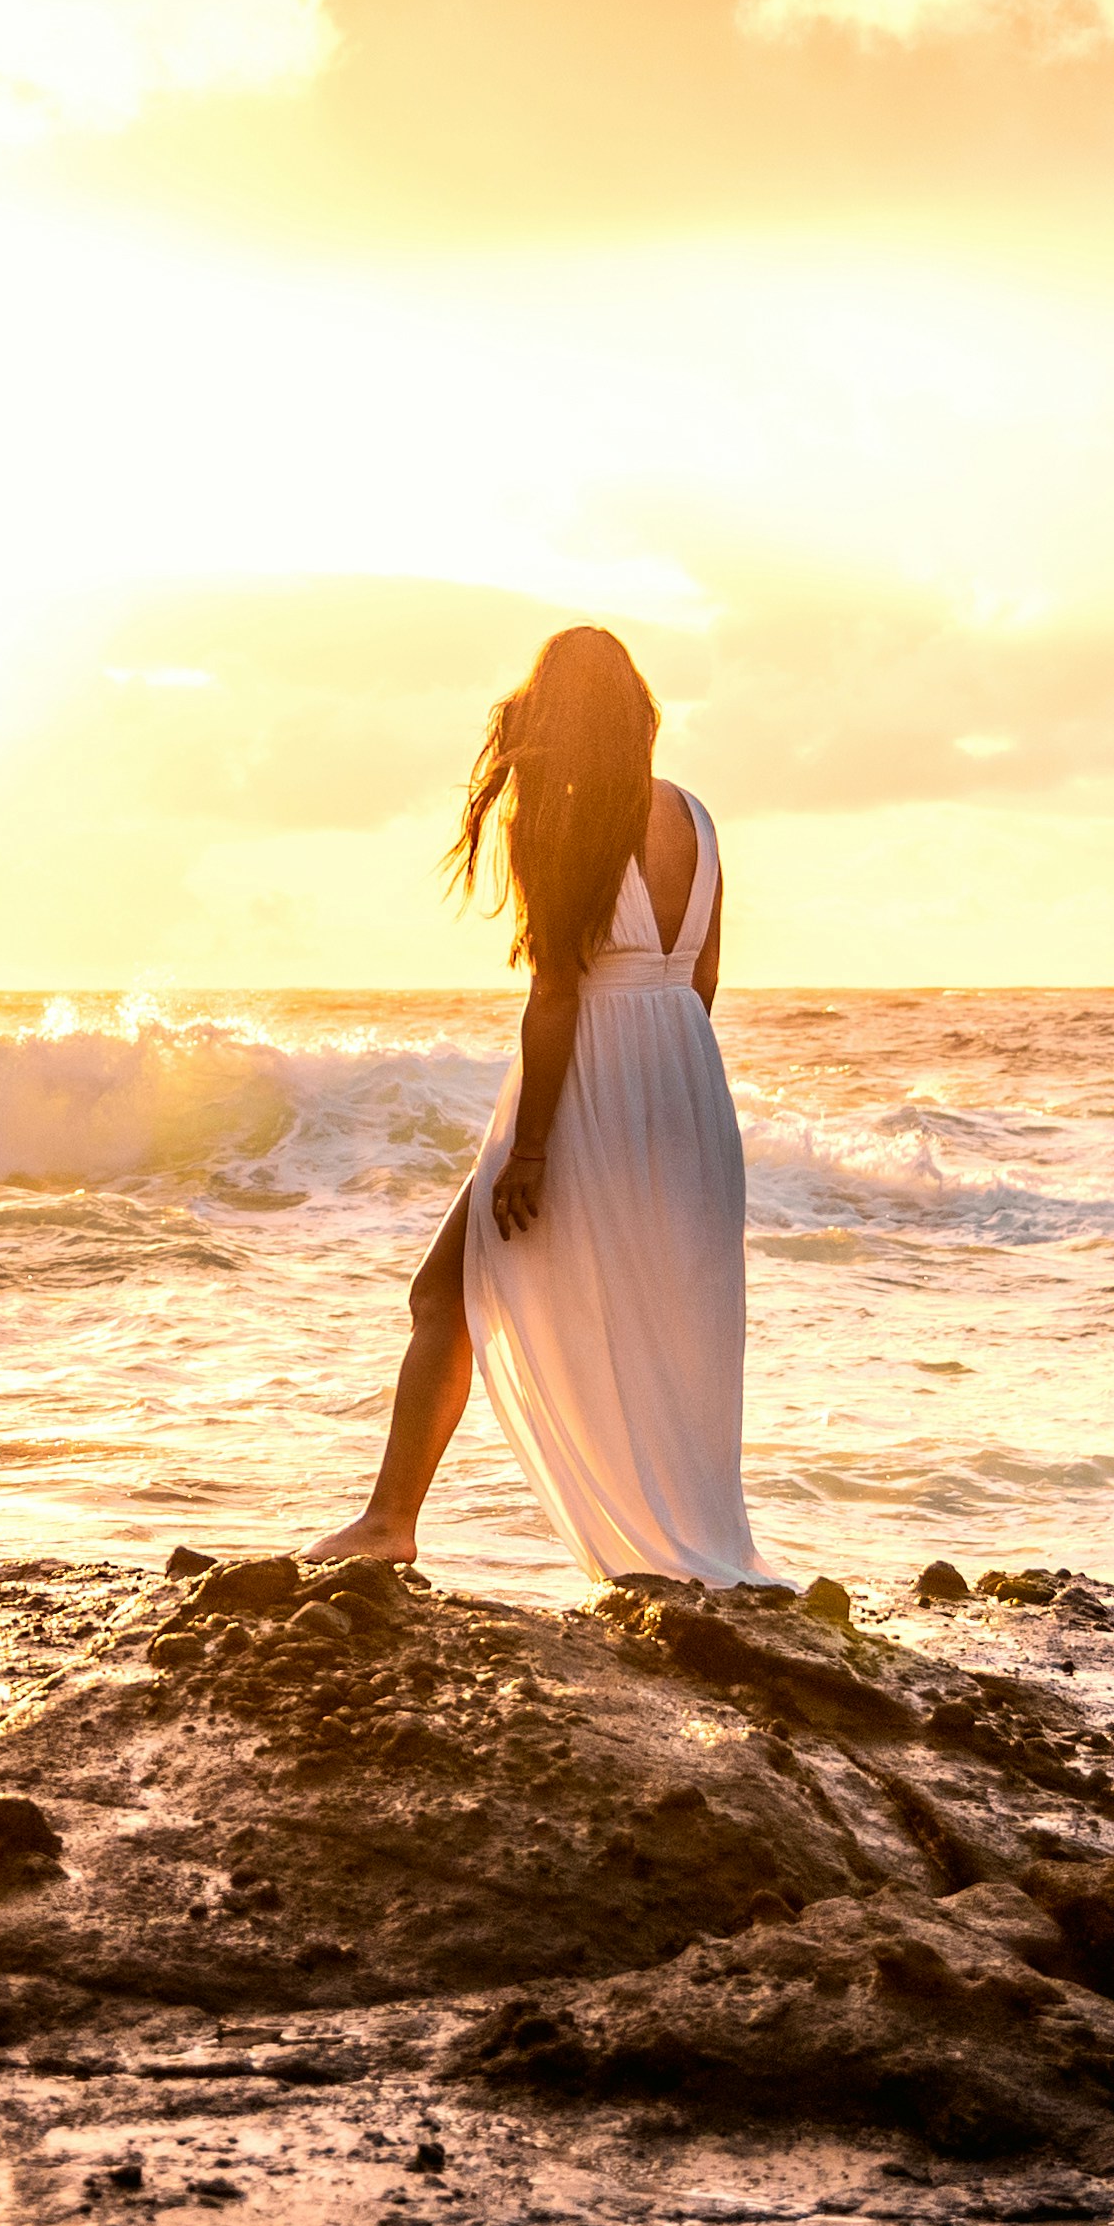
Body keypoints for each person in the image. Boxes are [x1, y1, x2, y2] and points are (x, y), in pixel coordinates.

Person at [303, 623, 770, 1586]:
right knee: (664, 1319)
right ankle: (693, 1546)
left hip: (591, 1075)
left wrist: (533, 1150)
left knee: (443, 1292)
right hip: (687, 1080)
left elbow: (556, 992)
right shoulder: (697, 817)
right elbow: (704, 977)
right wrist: (663, 1080)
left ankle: (391, 1520)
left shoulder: (555, 819)